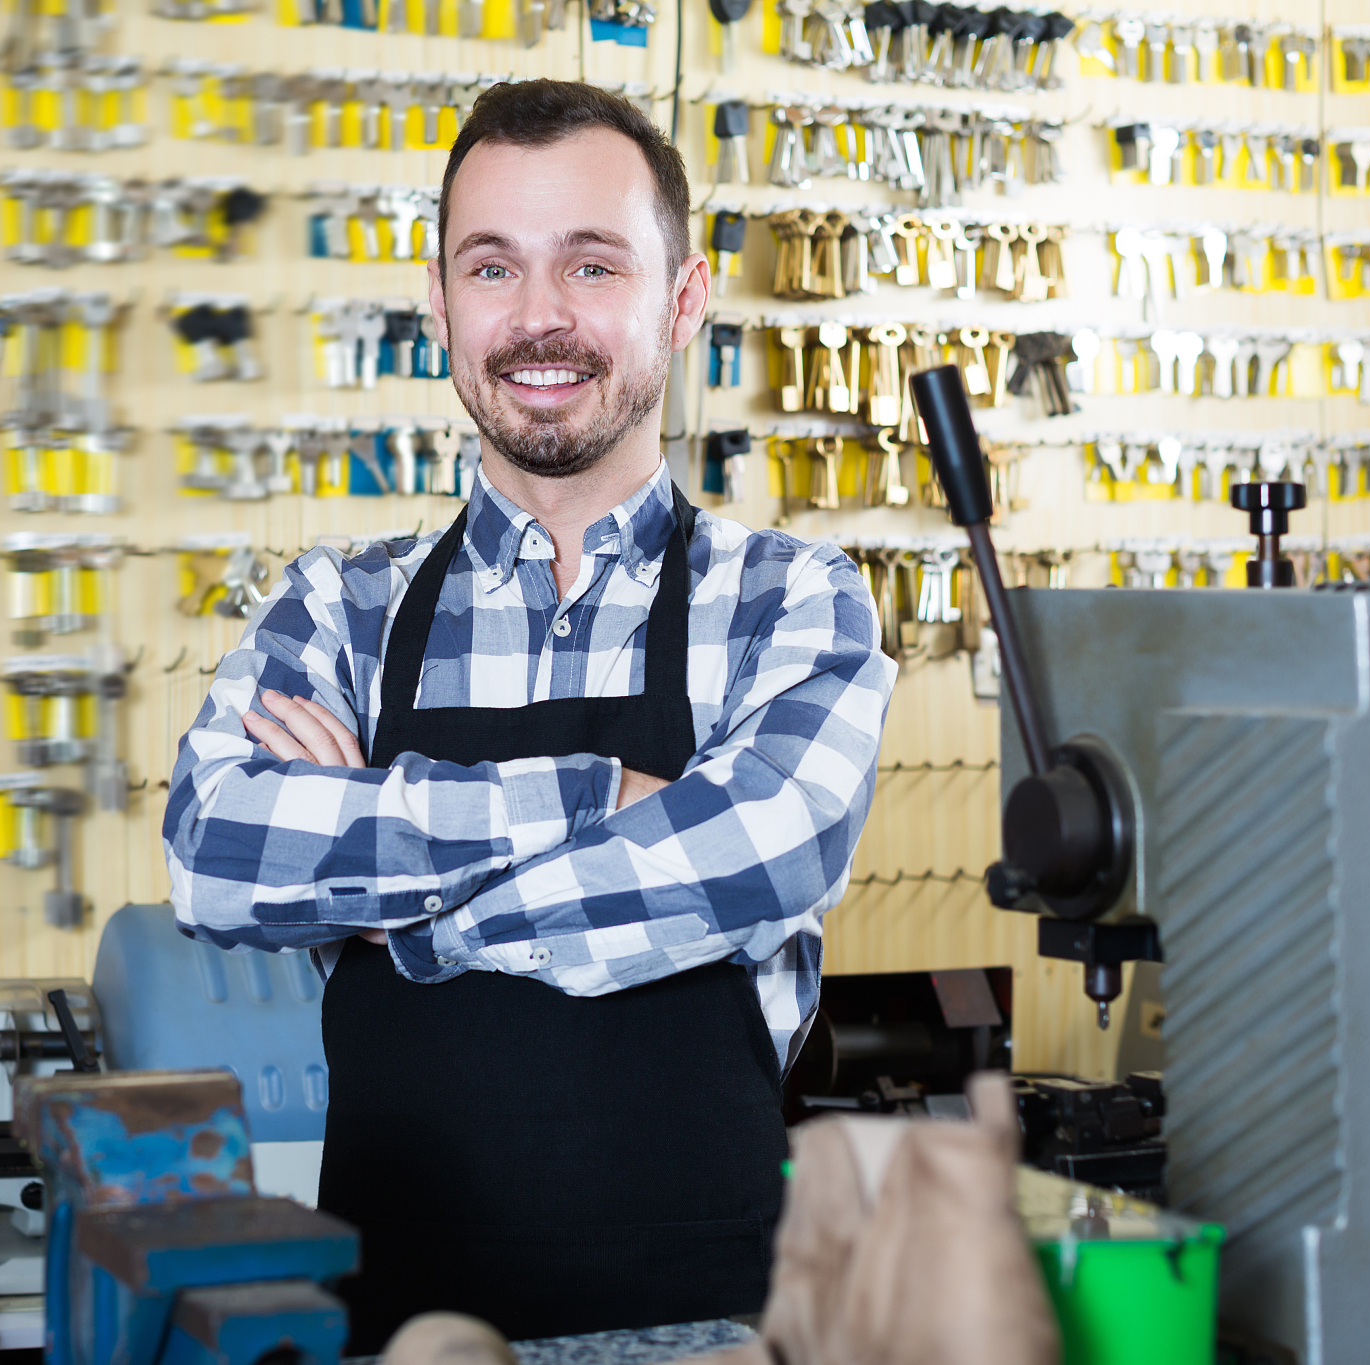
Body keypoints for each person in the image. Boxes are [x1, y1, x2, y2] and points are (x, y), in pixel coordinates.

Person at [162, 78, 895, 1351]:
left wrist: (403, 907)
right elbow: (214, 854)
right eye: (491, 267)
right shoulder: (340, 607)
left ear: (683, 298)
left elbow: (759, 855)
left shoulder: (790, 600)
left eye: (591, 265)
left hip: (709, 1328)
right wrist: (601, 797)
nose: (537, 316)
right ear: (439, 302)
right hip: (405, 1333)